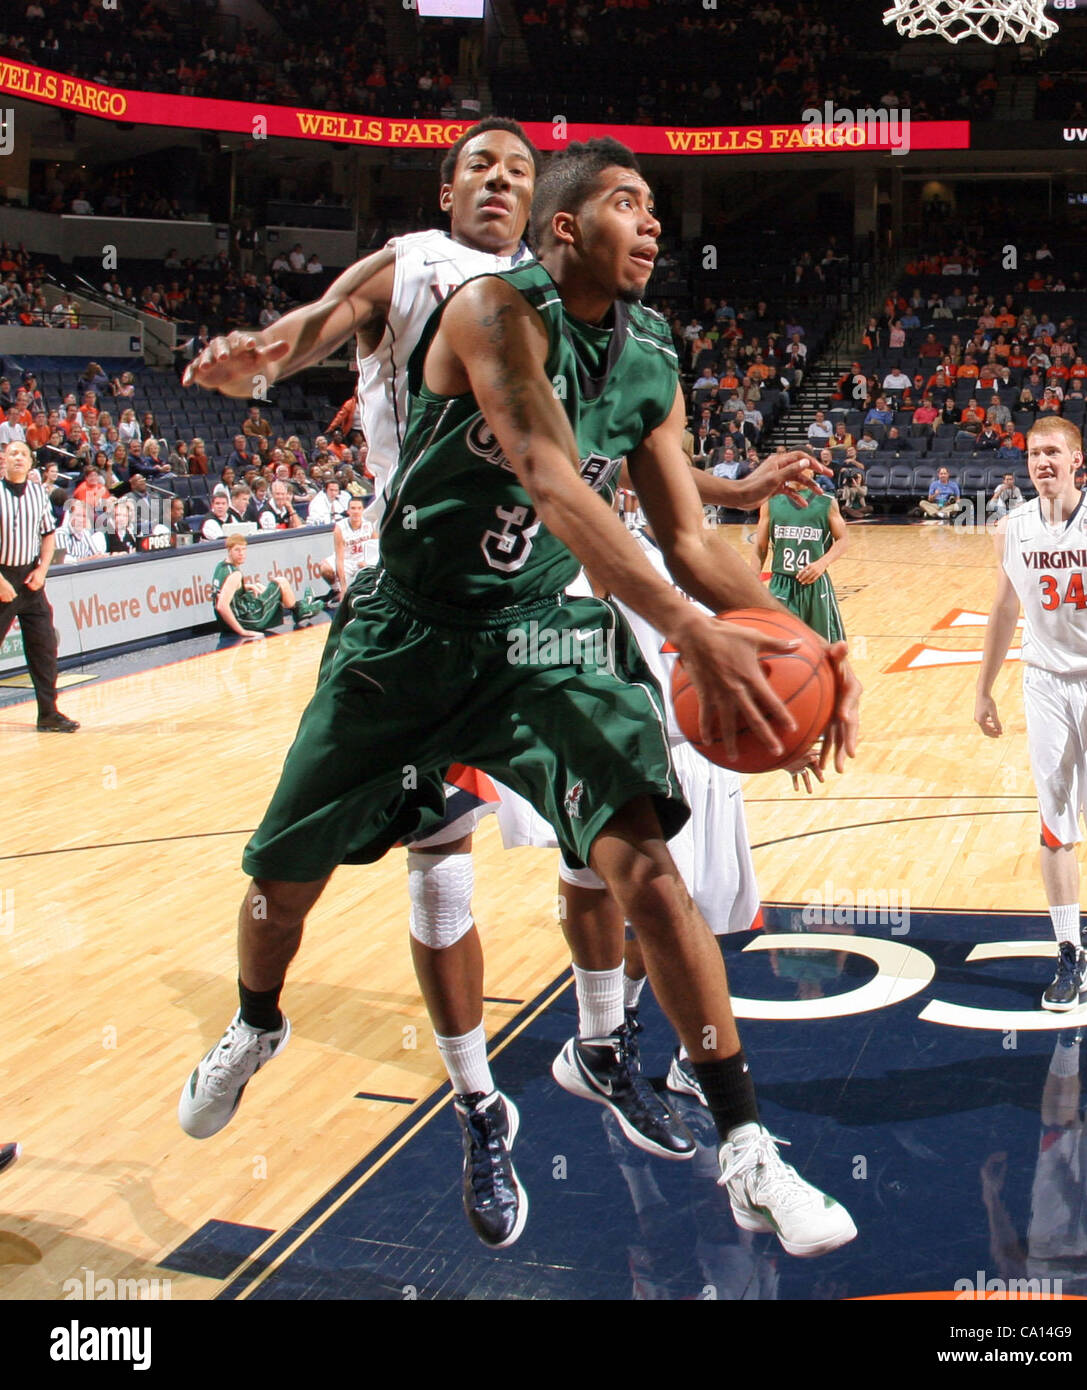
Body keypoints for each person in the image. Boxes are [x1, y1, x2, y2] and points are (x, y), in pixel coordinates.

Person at [178, 137, 860, 1258]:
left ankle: (745, 1145)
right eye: (626, 205)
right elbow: (547, 478)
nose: (652, 226)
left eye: (656, 209)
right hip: (409, 632)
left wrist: (809, 649)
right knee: (281, 879)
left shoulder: (650, 351)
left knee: (644, 859)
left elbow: (687, 534)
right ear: (562, 230)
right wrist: (693, 632)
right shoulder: (490, 312)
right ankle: (256, 1023)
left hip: (543, 635)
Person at [975, 417, 1087, 1008]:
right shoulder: (1010, 529)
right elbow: (1005, 608)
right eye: (1034, 453)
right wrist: (983, 688)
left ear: (1077, 458)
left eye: (1053, 452)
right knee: (1056, 816)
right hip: (1045, 683)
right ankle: (1069, 956)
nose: (1042, 462)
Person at [0, 442, 79, 731]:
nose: (18, 458)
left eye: (23, 454)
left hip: (31, 580)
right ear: (4, 460)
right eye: (12, 453)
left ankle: (48, 714)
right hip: (1, 577)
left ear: (31, 462)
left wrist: (42, 571)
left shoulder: (37, 493)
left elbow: (48, 535)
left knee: (44, 649)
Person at [753, 482, 848, 642]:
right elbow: (760, 547)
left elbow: (843, 540)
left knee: (826, 646)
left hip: (814, 584)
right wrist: (753, 579)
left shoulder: (826, 502)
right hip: (781, 584)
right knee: (780, 643)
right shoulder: (771, 502)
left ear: (812, 469)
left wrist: (822, 563)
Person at [211, 533, 320, 638]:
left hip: (227, 623)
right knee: (280, 582)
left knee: (257, 588)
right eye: (237, 550)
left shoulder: (220, 566)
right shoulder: (235, 574)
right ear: (229, 550)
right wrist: (243, 632)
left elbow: (226, 590)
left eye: (244, 549)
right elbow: (221, 606)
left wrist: (248, 586)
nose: (241, 553)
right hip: (246, 621)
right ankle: (301, 610)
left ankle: (300, 608)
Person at [333, 495, 378, 599]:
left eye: (359, 508)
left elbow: (376, 550)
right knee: (325, 567)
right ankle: (336, 590)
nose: (356, 511)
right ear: (348, 511)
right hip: (347, 560)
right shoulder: (339, 528)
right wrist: (343, 586)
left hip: (364, 559)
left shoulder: (370, 523)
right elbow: (339, 558)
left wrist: (369, 562)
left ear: (363, 510)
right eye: (353, 508)